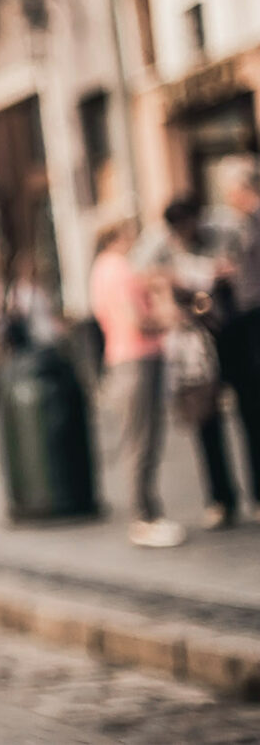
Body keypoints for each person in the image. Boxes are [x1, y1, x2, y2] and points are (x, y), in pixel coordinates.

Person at [135, 196, 239, 528]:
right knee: (205, 418)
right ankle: (221, 499)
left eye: (188, 224)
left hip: (228, 332)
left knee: (251, 413)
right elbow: (140, 269)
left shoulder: (219, 230)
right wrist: (171, 279)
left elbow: (235, 262)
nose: (185, 232)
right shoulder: (162, 243)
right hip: (195, 346)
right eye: (178, 228)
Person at [88, 218, 184, 548]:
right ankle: (143, 517)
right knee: (141, 440)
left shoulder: (104, 269)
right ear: (116, 235)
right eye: (129, 231)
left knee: (141, 438)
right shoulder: (116, 269)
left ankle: (148, 514)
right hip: (136, 359)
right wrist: (167, 319)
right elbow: (135, 320)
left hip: (128, 359)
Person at [209, 154, 260, 513]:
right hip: (244, 336)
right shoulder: (239, 227)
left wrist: (236, 277)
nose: (228, 198)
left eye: (230, 191)